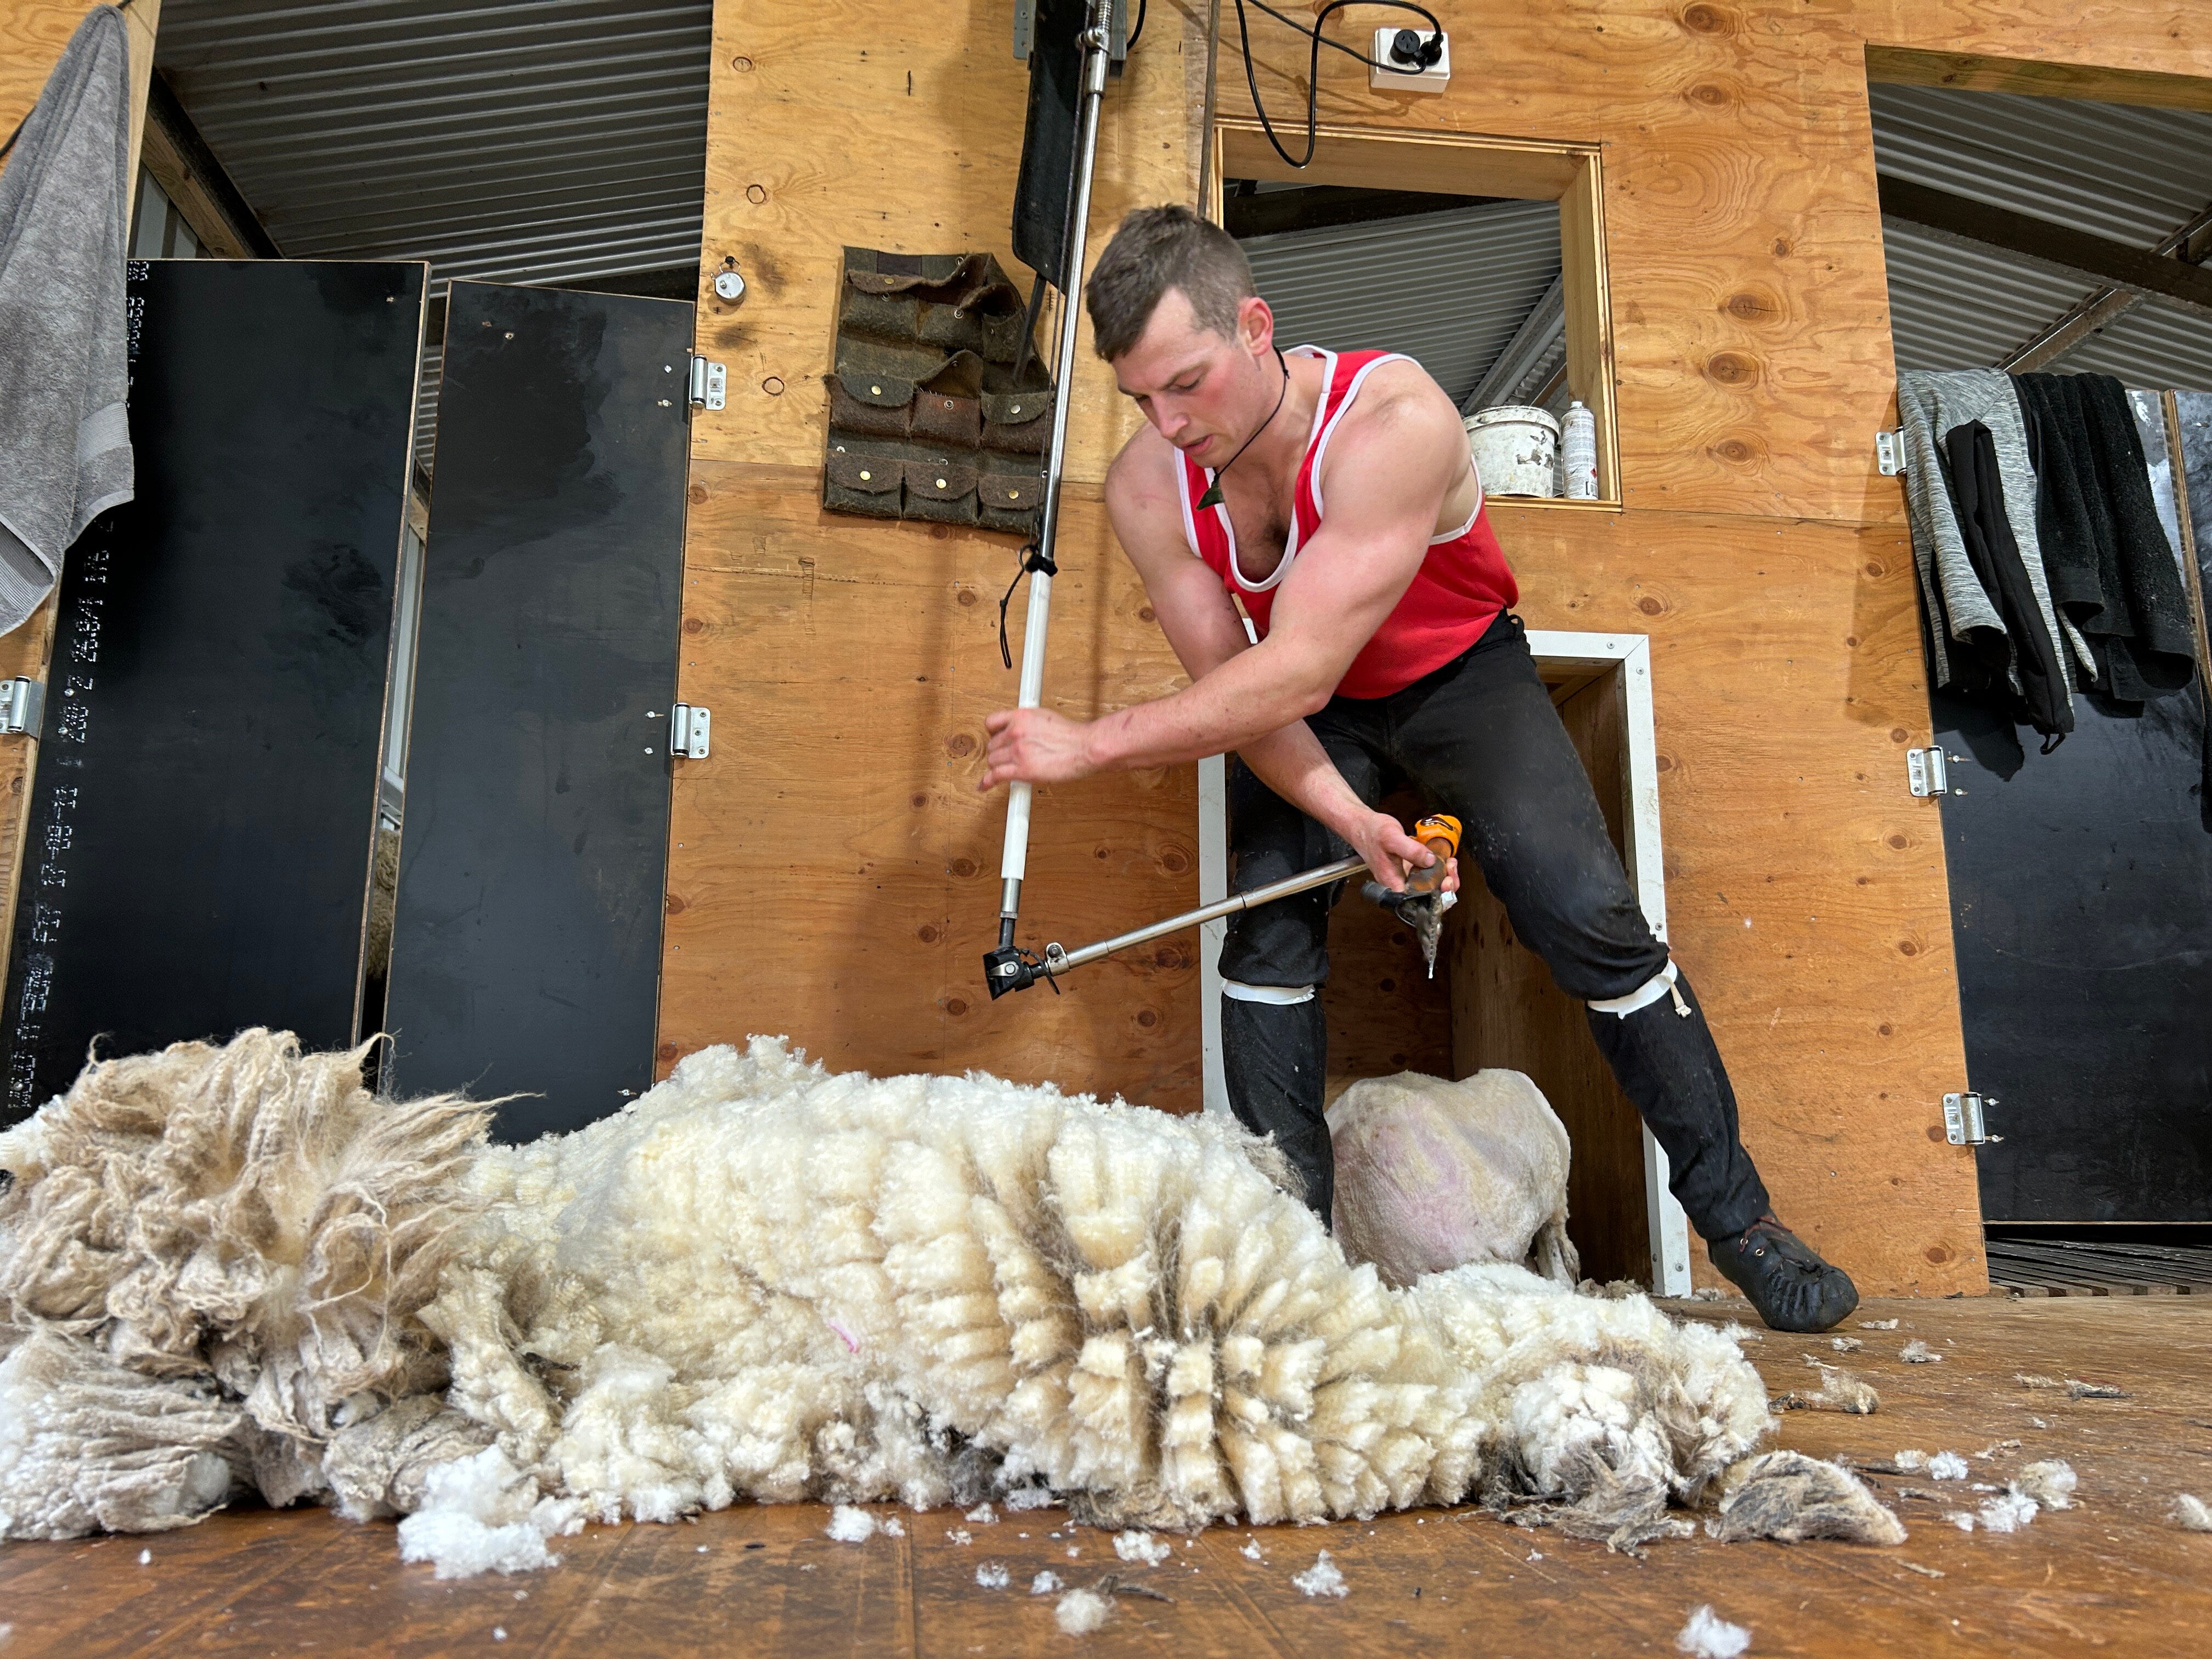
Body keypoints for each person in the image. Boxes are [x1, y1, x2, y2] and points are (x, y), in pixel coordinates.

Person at [977, 204, 1857, 1333]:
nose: (1167, 421)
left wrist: (1094, 743)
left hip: (1458, 675)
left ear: (1255, 326)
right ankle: (1292, 1272)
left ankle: (1744, 1226)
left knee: (1587, 916)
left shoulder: (1393, 421)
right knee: (1268, 934)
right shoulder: (1151, 487)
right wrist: (1351, 821)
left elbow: (1285, 672)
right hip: (1304, 708)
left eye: (1186, 382)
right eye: (1140, 397)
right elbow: (1244, 697)